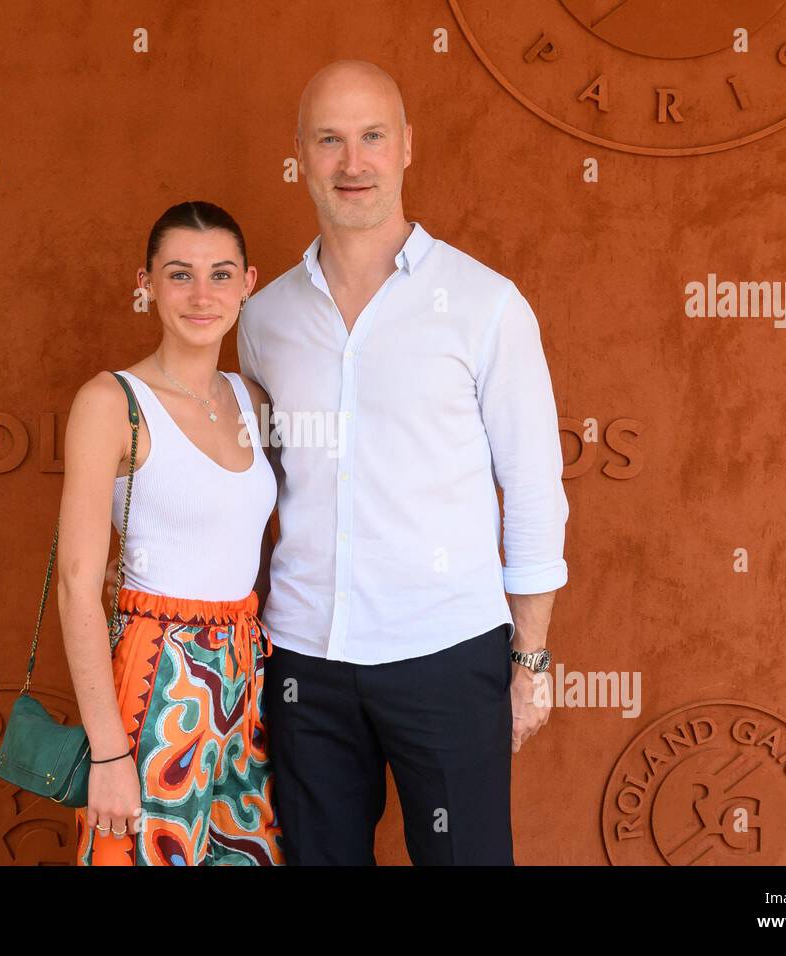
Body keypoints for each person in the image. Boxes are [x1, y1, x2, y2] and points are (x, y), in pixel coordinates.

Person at [237, 59, 570, 865]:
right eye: (330, 140)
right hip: (304, 664)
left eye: (372, 137)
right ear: (300, 154)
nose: (353, 163)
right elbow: (253, 489)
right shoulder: (263, 317)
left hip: (449, 657)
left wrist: (527, 661)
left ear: (407, 147)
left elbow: (531, 489)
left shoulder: (486, 305)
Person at [57, 200, 284, 865]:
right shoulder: (110, 403)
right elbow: (76, 585)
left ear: (249, 283)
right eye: (179, 274)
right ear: (146, 283)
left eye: (220, 274)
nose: (202, 294)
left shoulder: (253, 400)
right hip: (159, 675)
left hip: (249, 677)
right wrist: (107, 750)